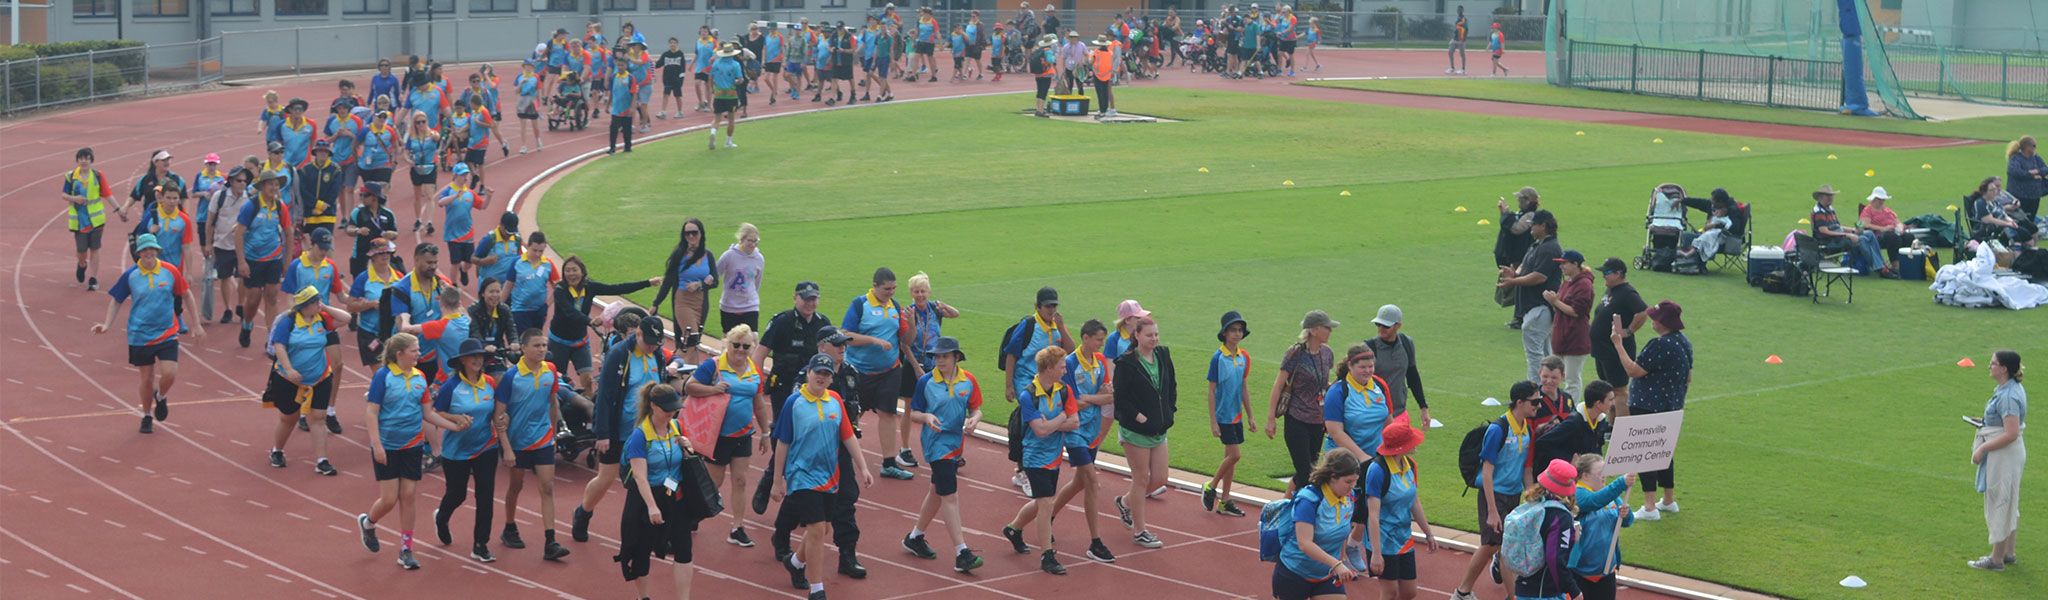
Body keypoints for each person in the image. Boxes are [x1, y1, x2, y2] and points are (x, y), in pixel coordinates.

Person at [357, 332, 467, 570]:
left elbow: (428, 413)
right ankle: (368, 523)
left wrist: (453, 426)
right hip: (387, 445)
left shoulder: (419, 377)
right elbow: (371, 412)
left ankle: (406, 549)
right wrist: (376, 444)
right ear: (400, 354)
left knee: (408, 495)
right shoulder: (383, 377)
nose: (419, 353)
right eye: (415, 350)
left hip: (412, 445)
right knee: (389, 499)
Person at [772, 353, 875, 600]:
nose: (821, 377)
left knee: (824, 528)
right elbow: (783, 442)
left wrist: (863, 467)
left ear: (831, 378)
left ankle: (795, 562)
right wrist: (778, 480)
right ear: (808, 373)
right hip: (801, 474)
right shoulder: (794, 403)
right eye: (818, 372)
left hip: (829, 475)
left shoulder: (836, 400)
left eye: (826, 374)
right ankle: (817, 589)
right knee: (817, 528)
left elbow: (847, 435)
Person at [92, 233, 205, 435]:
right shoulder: (131, 275)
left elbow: (186, 294)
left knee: (170, 373)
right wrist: (107, 325)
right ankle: (146, 415)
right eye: (145, 250)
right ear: (139, 253)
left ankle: (160, 396)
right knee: (146, 377)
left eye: (152, 249)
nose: (149, 253)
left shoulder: (170, 271)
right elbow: (116, 300)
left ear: (157, 250)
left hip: (167, 332)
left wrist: (196, 324)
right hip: (140, 334)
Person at [577, 318, 674, 544]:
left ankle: (660, 528)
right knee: (606, 478)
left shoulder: (657, 355)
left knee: (658, 479)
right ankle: (583, 512)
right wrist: (602, 433)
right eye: (648, 342)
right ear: (637, 334)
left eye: (656, 343)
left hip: (649, 431)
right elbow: (605, 396)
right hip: (619, 430)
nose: (652, 347)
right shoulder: (620, 355)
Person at [903, 337, 992, 573]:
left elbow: (976, 408)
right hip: (935, 444)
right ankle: (961, 552)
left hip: (956, 444)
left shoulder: (968, 380)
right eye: (937, 356)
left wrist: (975, 418)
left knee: (937, 492)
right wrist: (927, 418)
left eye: (944, 356)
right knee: (950, 495)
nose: (939, 360)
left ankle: (915, 537)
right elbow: (914, 413)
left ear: (956, 357)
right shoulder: (926, 381)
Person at [610, 382, 703, 599]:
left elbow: (685, 462)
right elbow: (640, 476)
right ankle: (643, 597)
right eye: (667, 408)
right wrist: (652, 507)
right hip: (647, 499)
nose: (671, 412)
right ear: (653, 406)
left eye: (674, 408)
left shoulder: (676, 427)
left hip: (675, 497)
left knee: (684, 550)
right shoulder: (640, 436)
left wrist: (688, 448)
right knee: (641, 552)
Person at [1450, 381, 1540, 600]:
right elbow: (1487, 473)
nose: (1538, 406)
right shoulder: (1498, 429)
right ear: (1520, 402)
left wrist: (1531, 501)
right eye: (1535, 402)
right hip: (1494, 495)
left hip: (1513, 495)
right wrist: (1491, 510)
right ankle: (1462, 592)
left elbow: (1527, 470)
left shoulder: (1527, 428)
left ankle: (1511, 595)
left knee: (1504, 548)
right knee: (1491, 545)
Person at [749, 281, 832, 513]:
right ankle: (769, 484)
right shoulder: (782, 322)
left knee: (806, 441)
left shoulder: (823, 324)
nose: (810, 303)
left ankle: (784, 489)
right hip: (784, 391)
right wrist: (751, 386)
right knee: (786, 438)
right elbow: (759, 355)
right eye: (806, 298)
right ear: (795, 298)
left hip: (813, 393)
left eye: (814, 298)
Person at [684, 325, 767, 548]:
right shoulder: (713, 366)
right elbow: (689, 386)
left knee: (740, 480)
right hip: (717, 435)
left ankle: (737, 528)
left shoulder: (755, 371)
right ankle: (691, 515)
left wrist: (766, 432)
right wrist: (714, 389)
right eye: (736, 345)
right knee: (713, 482)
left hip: (743, 434)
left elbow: (758, 404)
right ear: (728, 344)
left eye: (746, 346)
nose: (741, 349)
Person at [999, 346, 1079, 575]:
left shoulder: (1063, 390)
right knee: (1045, 503)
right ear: (1050, 368)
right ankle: (1047, 555)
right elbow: (1039, 431)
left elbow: (1074, 422)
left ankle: (1014, 529)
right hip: (1034, 457)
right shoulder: (1028, 396)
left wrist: (1054, 421)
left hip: (1054, 455)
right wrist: (1061, 417)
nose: (1066, 370)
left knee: (1043, 501)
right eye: (1062, 366)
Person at [495, 328, 573, 560]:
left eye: (544, 345)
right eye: (537, 346)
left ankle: (551, 541)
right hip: (518, 442)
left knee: (547, 488)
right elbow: (499, 415)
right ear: (525, 349)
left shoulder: (550, 370)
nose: (542, 350)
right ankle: (509, 527)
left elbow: (552, 403)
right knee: (516, 486)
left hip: (543, 440)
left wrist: (553, 435)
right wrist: (507, 447)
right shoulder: (511, 377)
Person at [1611, 301, 1691, 521]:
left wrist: (1618, 344)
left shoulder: (1659, 344)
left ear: (1663, 322)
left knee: (1645, 454)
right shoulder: (1684, 342)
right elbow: (1689, 377)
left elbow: (1633, 371)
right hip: (1672, 405)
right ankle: (1667, 500)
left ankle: (1649, 507)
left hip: (1648, 405)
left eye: (1656, 317)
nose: (1652, 320)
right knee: (1664, 453)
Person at [840, 267, 919, 481]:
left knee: (888, 414)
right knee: (853, 415)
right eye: (887, 289)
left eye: (894, 288)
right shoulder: (860, 305)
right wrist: (874, 340)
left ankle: (889, 463)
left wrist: (911, 325)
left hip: (889, 371)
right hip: (859, 372)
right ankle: (841, 458)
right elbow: (845, 335)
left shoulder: (895, 306)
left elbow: (907, 340)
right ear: (875, 286)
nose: (891, 293)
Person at [430, 339, 505, 562]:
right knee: (457, 494)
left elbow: (497, 411)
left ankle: (480, 545)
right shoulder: (450, 387)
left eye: (481, 356)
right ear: (462, 361)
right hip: (456, 450)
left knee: (485, 495)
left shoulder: (490, 382)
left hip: (486, 446)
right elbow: (435, 413)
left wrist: (504, 419)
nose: (478, 360)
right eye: (473, 356)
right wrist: (455, 418)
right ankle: (442, 518)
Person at [260, 286, 347, 474]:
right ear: (305, 305)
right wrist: (290, 369)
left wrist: (325, 307)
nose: (318, 304)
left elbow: (346, 318)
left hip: (320, 377)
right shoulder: (289, 323)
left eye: (319, 301)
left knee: (318, 418)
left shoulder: (322, 319)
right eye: (315, 302)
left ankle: (322, 461)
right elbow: (279, 346)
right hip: (289, 379)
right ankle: (277, 450)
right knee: (289, 418)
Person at [546, 254, 658, 395]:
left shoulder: (590, 286)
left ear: (582, 271)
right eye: (567, 270)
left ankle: (588, 413)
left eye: (574, 270)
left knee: (587, 380)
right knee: (556, 381)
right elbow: (570, 312)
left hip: (580, 341)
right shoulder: (560, 290)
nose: (571, 274)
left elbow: (617, 289)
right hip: (559, 342)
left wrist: (647, 283)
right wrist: (590, 321)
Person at [1004, 287, 1076, 493]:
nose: (1052, 310)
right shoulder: (1028, 326)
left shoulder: (1056, 326)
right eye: (1048, 306)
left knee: (1044, 424)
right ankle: (1024, 471)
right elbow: (1011, 355)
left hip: (1049, 384)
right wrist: (1009, 385)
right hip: (1026, 383)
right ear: (1037, 306)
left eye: (1054, 305)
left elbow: (1071, 350)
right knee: (1032, 426)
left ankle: (1037, 468)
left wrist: (1061, 328)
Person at [1112, 317, 1174, 549]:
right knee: (1141, 479)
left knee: (1160, 479)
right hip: (1136, 431)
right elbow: (1121, 398)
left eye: (1156, 334)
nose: (1154, 339)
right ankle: (1140, 531)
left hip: (1159, 428)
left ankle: (1125, 502)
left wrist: (1170, 409)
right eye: (1149, 335)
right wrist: (1139, 416)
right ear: (1136, 335)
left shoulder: (1163, 355)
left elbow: (1171, 384)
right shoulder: (1127, 363)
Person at [1271, 449, 1360, 600]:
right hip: (1294, 573)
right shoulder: (1309, 500)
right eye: (1348, 482)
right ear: (1333, 477)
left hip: (1326, 575)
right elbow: (1305, 543)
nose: (1352, 486)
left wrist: (1341, 559)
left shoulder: (1348, 498)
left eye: (1355, 481)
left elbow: (1342, 532)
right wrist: (1337, 564)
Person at [1363, 424, 1437, 600]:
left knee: (1409, 591)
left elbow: (1415, 502)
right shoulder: (1377, 470)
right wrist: (1376, 552)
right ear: (1401, 446)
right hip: (1383, 540)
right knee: (1389, 593)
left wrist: (1428, 533)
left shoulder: (1410, 464)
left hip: (1403, 538)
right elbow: (1372, 515)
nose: (1416, 443)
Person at [1970, 349, 2027, 571]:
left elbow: (2011, 432)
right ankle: (2008, 553)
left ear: (2003, 368)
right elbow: (2004, 424)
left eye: (1993, 363)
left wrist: (1983, 446)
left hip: (2005, 454)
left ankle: (1996, 559)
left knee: (2001, 501)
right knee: (2009, 500)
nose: (1989, 366)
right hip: (2008, 452)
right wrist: (1985, 422)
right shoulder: (2007, 389)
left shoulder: (2009, 396)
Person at [1271, 310, 1337, 492]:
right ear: (1314, 330)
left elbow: (1324, 383)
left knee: (1307, 472)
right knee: (1307, 473)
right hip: (1296, 420)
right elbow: (1278, 385)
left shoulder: (1327, 354)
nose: (1330, 331)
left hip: (1317, 422)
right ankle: (1303, 515)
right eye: (1327, 328)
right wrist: (1271, 420)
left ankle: (1284, 508)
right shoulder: (1295, 353)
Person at [230, 170, 294, 349]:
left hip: (273, 258)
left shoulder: (280, 207)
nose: (274, 188)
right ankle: (247, 325)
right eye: (271, 184)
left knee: (272, 297)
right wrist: (241, 262)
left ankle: (271, 339)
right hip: (252, 259)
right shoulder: (251, 206)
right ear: (262, 186)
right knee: (253, 299)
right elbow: (239, 233)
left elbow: (289, 233)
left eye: (276, 184)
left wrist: (287, 261)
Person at [1203, 311, 1255, 517]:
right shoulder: (1218, 358)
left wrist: (1250, 415)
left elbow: (1244, 387)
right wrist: (1213, 421)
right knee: (1235, 455)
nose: (1237, 334)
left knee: (1230, 458)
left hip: (1237, 415)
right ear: (1225, 333)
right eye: (1233, 330)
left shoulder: (1244, 357)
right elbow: (1211, 390)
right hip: (1223, 415)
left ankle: (1225, 500)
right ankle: (1211, 486)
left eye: (1240, 330)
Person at [1499, 209, 1560, 380]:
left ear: (1543, 226)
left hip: (1540, 307)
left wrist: (1513, 282)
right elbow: (1526, 269)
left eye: (1533, 225)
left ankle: (1534, 392)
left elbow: (1539, 277)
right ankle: (1547, 393)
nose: (1531, 228)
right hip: (1535, 308)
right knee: (1547, 354)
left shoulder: (1549, 248)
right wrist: (1515, 275)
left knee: (1534, 354)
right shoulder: (1537, 245)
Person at [1567, 454, 1636, 600]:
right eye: (1600, 473)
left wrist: (1627, 514)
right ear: (1585, 476)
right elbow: (1593, 501)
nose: (1604, 477)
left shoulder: (1608, 494)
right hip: (1580, 573)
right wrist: (1621, 483)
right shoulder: (1577, 494)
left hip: (1606, 572)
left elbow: (1627, 522)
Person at [1513, 460, 1582, 600]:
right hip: (1544, 592)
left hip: (1523, 587)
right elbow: (1555, 559)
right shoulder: (1561, 517)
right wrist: (1574, 591)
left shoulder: (1534, 504)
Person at [653, 218, 718, 363]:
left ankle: (677, 368)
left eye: (694, 233)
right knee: (692, 337)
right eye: (687, 233)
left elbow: (715, 282)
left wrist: (700, 285)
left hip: (700, 303)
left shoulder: (708, 255)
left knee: (690, 342)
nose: (691, 236)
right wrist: (656, 303)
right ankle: (694, 375)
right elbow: (668, 281)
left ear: (701, 234)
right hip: (683, 300)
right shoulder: (679, 255)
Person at [1364, 305, 1430, 428]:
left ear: (1398, 326)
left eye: (1386, 326)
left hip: (1399, 412)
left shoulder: (1406, 343)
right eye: (1378, 324)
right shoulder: (1368, 348)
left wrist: (1423, 408)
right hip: (1374, 415)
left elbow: (1412, 376)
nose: (1381, 328)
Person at [62, 147, 116, 292]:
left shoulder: (98, 176)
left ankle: (93, 279)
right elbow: (64, 195)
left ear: (91, 160)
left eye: (87, 158)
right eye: (81, 158)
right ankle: (81, 264)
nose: (84, 161)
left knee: (95, 249)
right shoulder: (71, 176)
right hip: (79, 221)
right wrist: (76, 199)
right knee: (81, 251)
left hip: (97, 220)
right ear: (77, 160)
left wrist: (118, 209)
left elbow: (107, 194)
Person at [1811, 184, 1894, 278]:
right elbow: (1825, 232)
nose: (1831, 198)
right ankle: (1880, 269)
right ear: (1821, 197)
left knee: (1869, 234)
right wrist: (1848, 235)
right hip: (1829, 242)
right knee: (1861, 239)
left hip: (1838, 238)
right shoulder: (1819, 212)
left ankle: (1882, 265)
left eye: (1832, 195)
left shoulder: (1829, 209)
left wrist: (1853, 230)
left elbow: (1837, 226)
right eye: (1828, 196)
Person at [1543, 249, 1595, 397]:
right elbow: (1562, 306)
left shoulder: (1584, 284)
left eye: (1564, 263)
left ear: (1575, 264)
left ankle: (1570, 412)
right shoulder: (1568, 282)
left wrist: (1555, 301)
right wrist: (1554, 302)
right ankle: (1556, 406)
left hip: (1575, 338)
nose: (1561, 267)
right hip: (1562, 335)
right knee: (1555, 376)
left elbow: (1577, 311)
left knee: (1571, 380)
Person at [1533, 379, 1616, 469]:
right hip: (1560, 473)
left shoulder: (1601, 421)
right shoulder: (1573, 423)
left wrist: (1602, 464)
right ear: (1598, 403)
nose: (1613, 403)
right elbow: (1542, 443)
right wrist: (1568, 459)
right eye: (1610, 400)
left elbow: (1597, 446)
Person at [1494, 187, 1540, 327]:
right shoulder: (1522, 214)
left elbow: (1516, 229)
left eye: (1521, 198)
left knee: (1520, 288)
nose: (1518, 200)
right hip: (1514, 257)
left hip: (1521, 258)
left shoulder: (1530, 216)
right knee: (1517, 287)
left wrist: (1506, 213)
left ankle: (1520, 318)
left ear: (1528, 201)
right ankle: (1518, 318)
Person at [504, 231, 560, 335]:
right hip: (519, 310)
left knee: (536, 341)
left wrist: (547, 305)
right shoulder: (517, 262)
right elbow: (508, 286)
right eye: (535, 250)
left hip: (539, 311)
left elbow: (558, 288)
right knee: (524, 341)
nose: (538, 254)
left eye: (541, 251)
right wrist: (500, 306)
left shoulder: (548, 264)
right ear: (528, 246)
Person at [344, 182, 401, 276]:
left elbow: (395, 233)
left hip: (382, 256)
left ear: (375, 197)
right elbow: (349, 229)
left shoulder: (388, 214)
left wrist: (391, 234)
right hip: (361, 256)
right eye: (360, 195)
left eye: (365, 195)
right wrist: (357, 231)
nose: (362, 198)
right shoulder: (357, 212)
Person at [401, 112, 442, 237]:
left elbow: (437, 137)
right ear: (415, 124)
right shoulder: (411, 137)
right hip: (417, 168)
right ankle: (418, 219)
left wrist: (436, 136)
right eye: (418, 122)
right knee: (417, 196)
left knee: (430, 195)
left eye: (423, 121)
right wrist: (409, 161)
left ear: (426, 122)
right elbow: (406, 153)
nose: (421, 124)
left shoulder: (432, 134)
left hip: (430, 167)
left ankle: (429, 222)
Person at [143, 185, 199, 275]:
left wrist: (189, 272)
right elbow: (140, 239)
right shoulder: (151, 216)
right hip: (154, 267)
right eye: (168, 198)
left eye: (175, 198)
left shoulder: (184, 220)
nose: (172, 201)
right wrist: (150, 233)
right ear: (162, 198)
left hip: (175, 267)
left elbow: (187, 247)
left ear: (179, 199)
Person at [1858, 187, 1910, 274]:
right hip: (1878, 236)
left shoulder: (1887, 210)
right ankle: (1895, 266)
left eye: (1883, 199)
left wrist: (1900, 228)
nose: (1881, 202)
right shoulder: (1868, 210)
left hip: (1892, 232)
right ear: (1873, 199)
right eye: (1879, 199)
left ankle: (1907, 263)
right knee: (1893, 238)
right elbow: (1864, 224)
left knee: (1908, 237)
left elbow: (1898, 222)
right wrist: (1883, 229)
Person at [708, 42, 744, 149]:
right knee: (731, 119)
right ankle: (728, 141)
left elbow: (711, 77)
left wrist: (712, 89)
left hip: (718, 94)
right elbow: (740, 79)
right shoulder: (735, 65)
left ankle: (713, 132)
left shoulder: (716, 63)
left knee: (717, 118)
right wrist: (737, 82)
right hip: (731, 95)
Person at [605, 52, 637, 155]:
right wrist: (608, 104)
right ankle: (612, 148)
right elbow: (611, 92)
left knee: (627, 129)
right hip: (616, 108)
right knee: (613, 128)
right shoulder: (613, 77)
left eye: (622, 65)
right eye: (618, 65)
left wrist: (632, 107)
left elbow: (634, 93)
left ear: (626, 66)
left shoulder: (630, 78)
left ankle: (627, 147)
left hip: (626, 108)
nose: (620, 67)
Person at [2009, 136, 2045, 220]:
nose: (2035, 148)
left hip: (2034, 196)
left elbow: (2045, 169)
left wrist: (2035, 171)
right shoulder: (2016, 158)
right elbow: (2015, 172)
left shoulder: (2036, 157)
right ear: (2027, 147)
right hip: (2019, 195)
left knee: (2031, 219)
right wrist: (2032, 176)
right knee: (2019, 219)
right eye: (2034, 145)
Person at [1029, 34, 1059, 118]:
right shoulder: (1048, 50)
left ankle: (1038, 109)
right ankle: (1041, 111)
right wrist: (1053, 58)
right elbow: (1050, 60)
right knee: (1044, 92)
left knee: (1039, 91)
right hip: (1046, 73)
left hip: (1038, 74)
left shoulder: (1039, 50)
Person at [1087, 36, 1117, 119]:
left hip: (1097, 74)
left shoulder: (1096, 52)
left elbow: (1091, 62)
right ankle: (1105, 110)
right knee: (1105, 93)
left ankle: (1102, 112)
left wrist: (1090, 56)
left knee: (1100, 94)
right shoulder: (1110, 53)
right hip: (1107, 75)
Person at [1447, 6, 1468, 74]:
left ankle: (1463, 69)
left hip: (1461, 39)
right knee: (1450, 52)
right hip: (1455, 38)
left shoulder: (1464, 19)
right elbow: (1456, 29)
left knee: (1462, 54)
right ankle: (1452, 67)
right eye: (1458, 10)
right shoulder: (1457, 18)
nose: (1459, 11)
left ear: (1463, 11)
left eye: (1460, 10)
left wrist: (1463, 39)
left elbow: (1467, 29)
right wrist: (1452, 37)